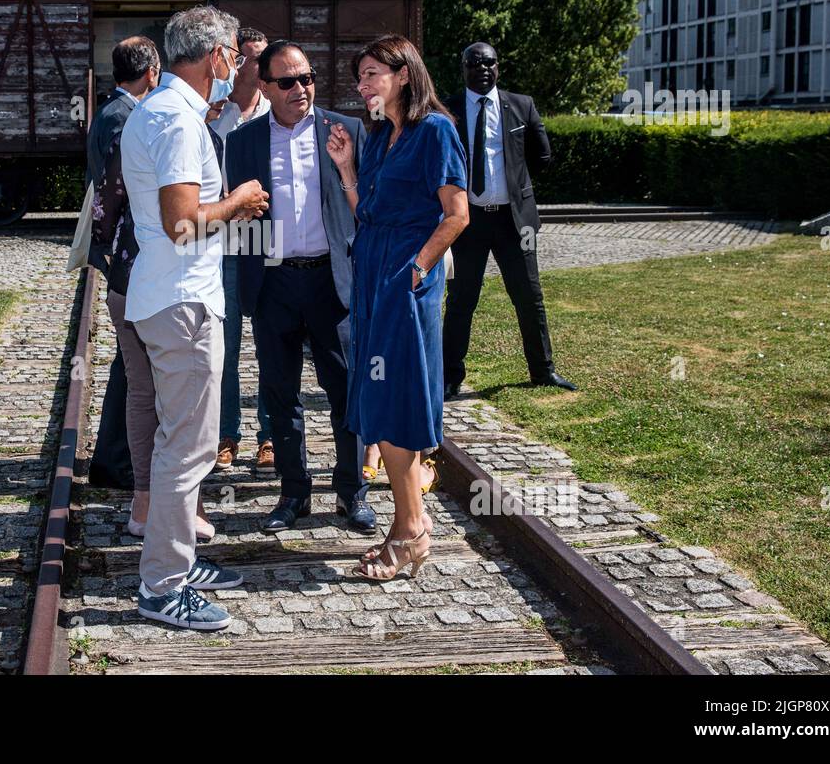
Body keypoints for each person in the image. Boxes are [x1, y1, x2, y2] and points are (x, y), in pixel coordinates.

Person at [120, 5, 269, 630]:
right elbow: (184, 221)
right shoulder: (177, 120)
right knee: (189, 449)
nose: (237, 63)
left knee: (175, 443)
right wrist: (238, 200)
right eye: (234, 52)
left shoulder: (158, 109)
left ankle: (175, 560)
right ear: (216, 56)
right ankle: (163, 586)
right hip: (184, 301)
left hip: (163, 295)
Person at [327, 33, 470, 580]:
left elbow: (456, 215)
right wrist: (346, 171)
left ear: (404, 74)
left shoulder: (435, 130)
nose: (362, 85)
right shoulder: (381, 134)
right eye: (359, 76)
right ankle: (409, 523)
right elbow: (370, 213)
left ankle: (412, 529)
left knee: (398, 398)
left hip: (404, 278)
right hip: (373, 273)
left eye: (372, 75)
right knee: (380, 399)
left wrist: (417, 269)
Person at [224, 40, 377, 535]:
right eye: (287, 82)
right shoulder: (243, 141)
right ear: (265, 87)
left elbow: (369, 208)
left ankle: (352, 493)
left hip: (332, 283)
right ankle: (293, 494)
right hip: (274, 283)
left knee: (346, 391)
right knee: (280, 394)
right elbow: (241, 221)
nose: (300, 89)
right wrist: (250, 279)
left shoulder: (346, 130)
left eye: (307, 79)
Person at [92, 39, 215, 544]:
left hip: (130, 275)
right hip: (153, 276)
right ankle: (167, 530)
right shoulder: (154, 118)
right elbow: (171, 219)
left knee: (146, 394)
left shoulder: (121, 114)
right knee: (175, 414)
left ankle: (149, 506)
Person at [441, 42, 576, 396]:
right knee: (460, 300)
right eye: (475, 62)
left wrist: (516, 184)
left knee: (529, 296)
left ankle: (543, 372)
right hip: (467, 221)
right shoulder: (448, 110)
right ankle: (449, 376)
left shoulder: (521, 105)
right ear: (464, 67)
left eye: (490, 63)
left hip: (514, 221)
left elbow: (542, 156)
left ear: (498, 67)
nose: (483, 68)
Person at [84, 37, 161, 490]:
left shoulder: (111, 110)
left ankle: (116, 457)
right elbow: (118, 190)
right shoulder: (124, 117)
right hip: (128, 255)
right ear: (151, 71)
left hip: (123, 253)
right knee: (129, 369)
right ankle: (113, 460)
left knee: (128, 364)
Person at [207, 28, 274, 474]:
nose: (256, 66)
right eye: (250, 58)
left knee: (271, 340)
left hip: (266, 238)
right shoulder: (213, 116)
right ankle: (226, 433)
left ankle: (270, 437)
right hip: (225, 242)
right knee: (226, 344)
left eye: (261, 58)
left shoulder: (278, 111)